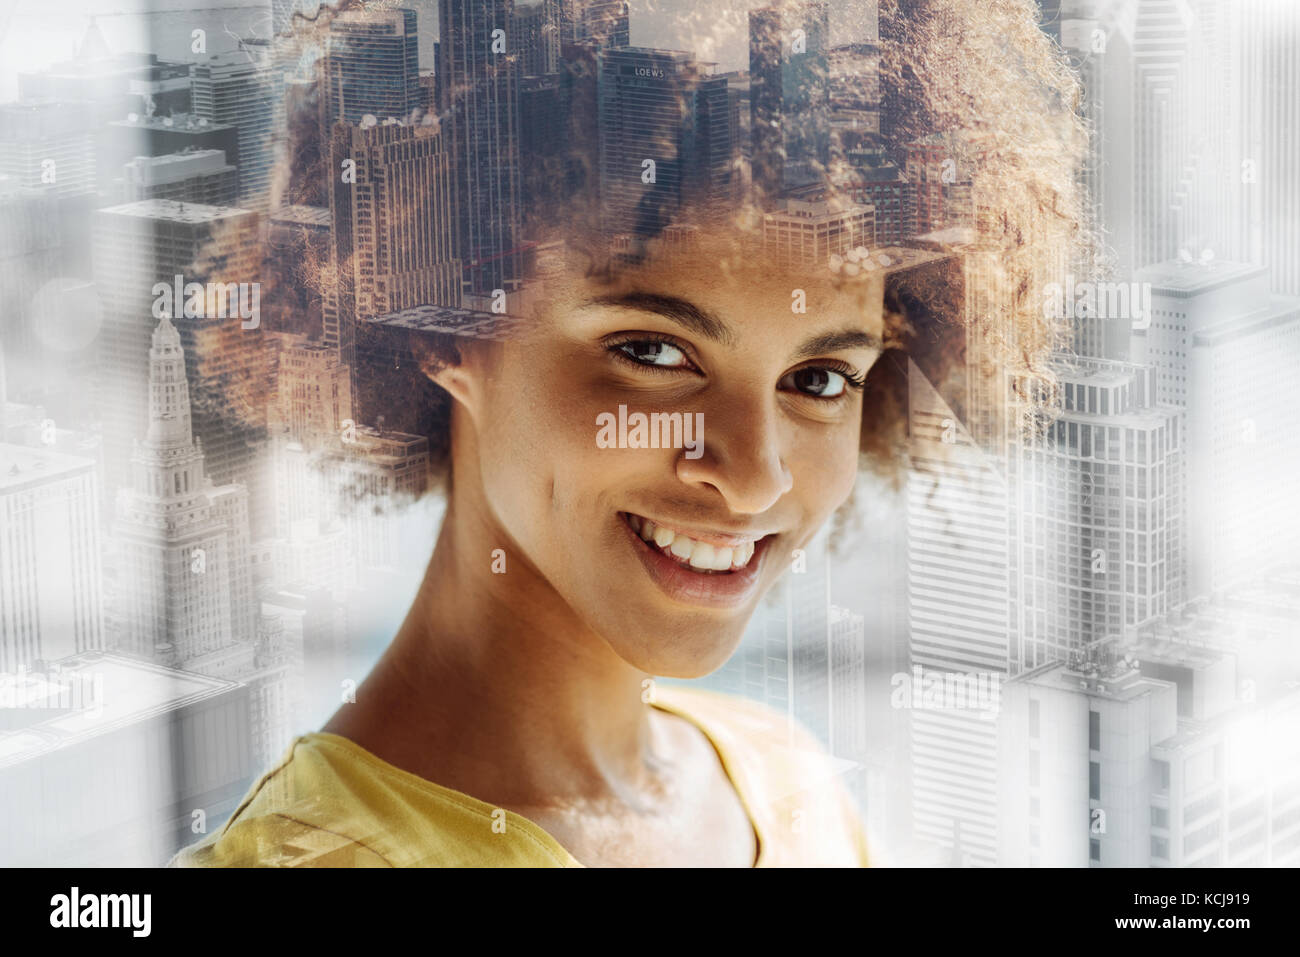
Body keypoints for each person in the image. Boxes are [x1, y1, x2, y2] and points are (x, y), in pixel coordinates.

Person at [170, 0, 1086, 868]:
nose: (755, 475)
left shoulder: (788, 788)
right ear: (439, 325)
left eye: (817, 379)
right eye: (652, 350)